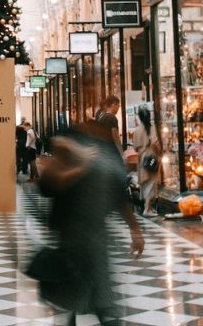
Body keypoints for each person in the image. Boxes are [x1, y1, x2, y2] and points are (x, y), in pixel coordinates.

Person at [34, 129, 144, 325]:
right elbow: (49, 183)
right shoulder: (65, 169)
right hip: (73, 245)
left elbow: (120, 199)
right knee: (82, 300)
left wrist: (135, 230)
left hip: (91, 245)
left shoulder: (96, 169)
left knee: (97, 301)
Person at [133, 106, 161, 217]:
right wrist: (159, 152)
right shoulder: (151, 128)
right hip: (151, 157)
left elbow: (135, 147)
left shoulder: (137, 130)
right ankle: (147, 209)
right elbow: (155, 142)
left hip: (141, 158)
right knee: (151, 182)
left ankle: (147, 207)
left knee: (145, 182)